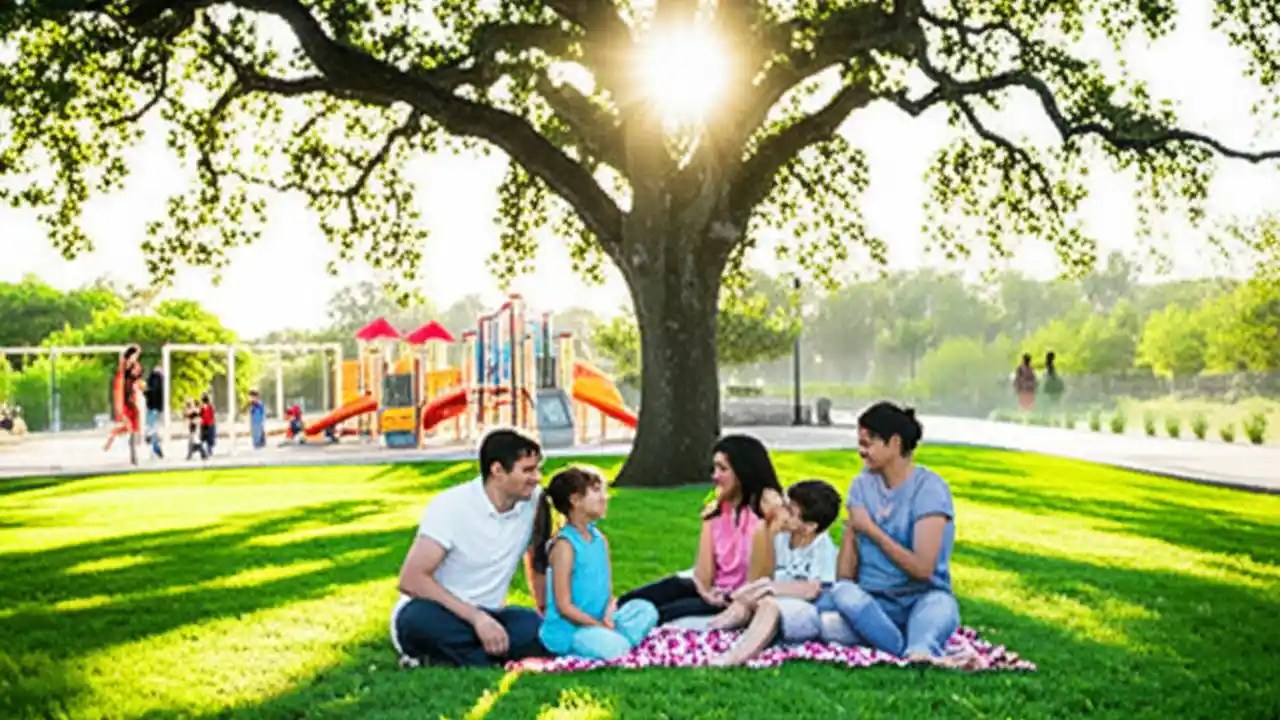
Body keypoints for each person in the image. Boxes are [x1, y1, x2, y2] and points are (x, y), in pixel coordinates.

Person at [391, 429, 549, 667]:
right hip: (439, 610)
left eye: (537, 468)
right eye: (527, 470)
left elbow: (536, 558)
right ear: (497, 471)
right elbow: (411, 580)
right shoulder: (451, 505)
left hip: (494, 614)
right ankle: (491, 657)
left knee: (537, 629)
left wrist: (545, 612)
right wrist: (477, 619)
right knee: (416, 621)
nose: (537, 477)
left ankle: (462, 657)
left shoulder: (533, 502)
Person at [827, 401, 961, 663]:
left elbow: (923, 569)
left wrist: (870, 530)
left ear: (895, 443)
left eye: (868, 443)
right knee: (843, 594)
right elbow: (844, 576)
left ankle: (914, 646)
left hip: (922, 599)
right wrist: (852, 531)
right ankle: (906, 649)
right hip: (872, 606)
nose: (860, 452)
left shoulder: (929, 490)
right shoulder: (861, 486)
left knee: (940, 608)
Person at [618, 434, 784, 624]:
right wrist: (707, 593)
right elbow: (703, 574)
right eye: (714, 468)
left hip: (740, 599)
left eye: (723, 469)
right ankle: (605, 616)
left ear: (743, 471)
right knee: (647, 595)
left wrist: (727, 600)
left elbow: (759, 579)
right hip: (713, 591)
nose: (715, 476)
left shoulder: (768, 515)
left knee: (664, 613)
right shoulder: (717, 511)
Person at [707, 479, 842, 666]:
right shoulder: (782, 536)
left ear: (809, 526)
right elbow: (764, 572)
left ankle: (734, 658)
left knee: (768, 605)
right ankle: (709, 631)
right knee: (743, 604)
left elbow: (812, 589)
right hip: (776, 598)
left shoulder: (821, 546)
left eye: (790, 511)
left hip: (808, 610)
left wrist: (768, 588)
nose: (783, 513)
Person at [533, 466, 659, 661]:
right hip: (572, 631)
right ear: (575, 500)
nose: (605, 497)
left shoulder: (600, 540)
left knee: (646, 610)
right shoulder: (565, 546)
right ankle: (614, 642)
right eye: (596, 491)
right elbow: (564, 607)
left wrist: (609, 615)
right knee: (617, 647)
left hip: (599, 621)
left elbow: (608, 594)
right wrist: (598, 626)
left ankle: (614, 640)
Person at [144, 365, 165, 459]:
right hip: (157, 408)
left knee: (152, 429)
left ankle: (155, 447)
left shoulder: (153, 380)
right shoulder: (159, 380)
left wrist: (146, 392)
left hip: (152, 408)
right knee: (154, 429)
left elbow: (149, 393)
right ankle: (155, 448)